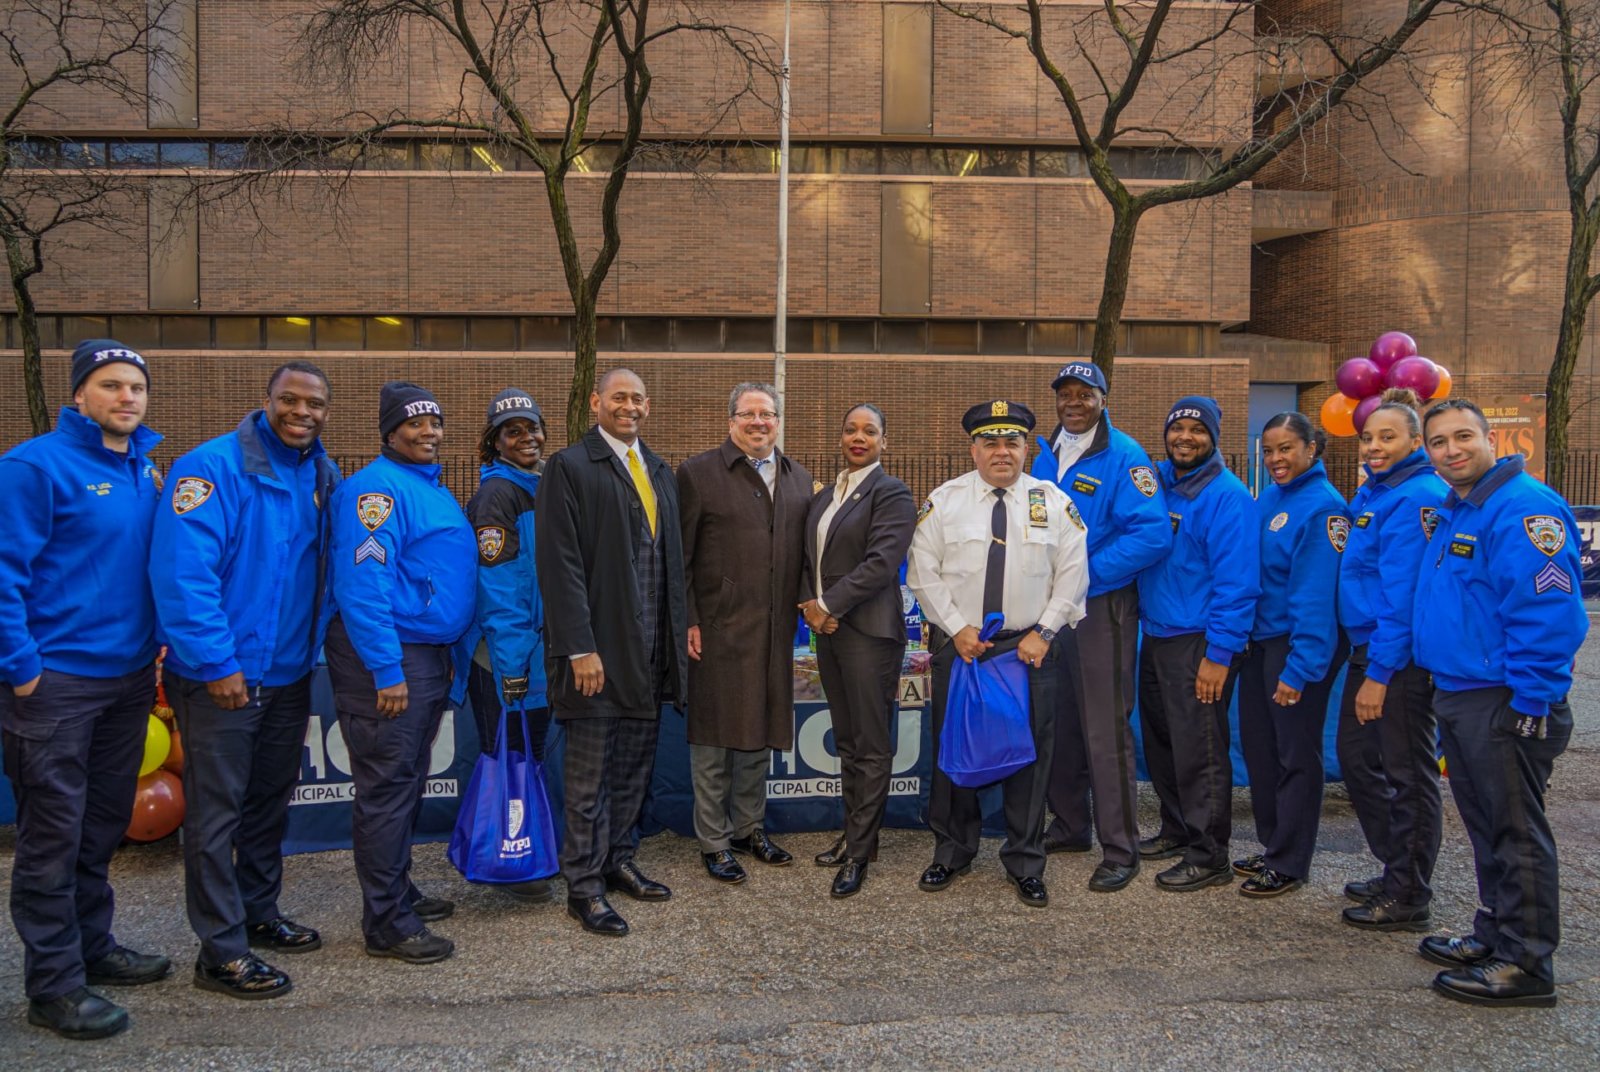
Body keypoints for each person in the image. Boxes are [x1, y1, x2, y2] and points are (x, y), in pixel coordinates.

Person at [150, 361, 340, 1000]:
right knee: (216, 817)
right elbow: (184, 575)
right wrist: (217, 663)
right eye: (290, 399)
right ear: (267, 399)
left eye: (314, 403)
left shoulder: (323, 474)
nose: (302, 412)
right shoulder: (210, 468)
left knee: (267, 805)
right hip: (221, 678)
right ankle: (221, 952)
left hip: (288, 674)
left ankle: (259, 912)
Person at [0, 340, 168, 1039]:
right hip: (57, 686)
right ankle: (54, 986)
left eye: (136, 387)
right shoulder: (32, 468)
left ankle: (92, 948)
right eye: (110, 385)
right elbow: (4, 575)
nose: (127, 397)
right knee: (52, 838)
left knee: (99, 828)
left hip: (127, 680)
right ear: (78, 395)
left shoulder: (146, 470)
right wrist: (23, 670)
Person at [1411, 399, 1586, 1007]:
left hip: (1505, 699)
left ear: (1491, 439)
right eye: (1438, 442)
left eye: (1463, 437)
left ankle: (1527, 963)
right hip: (1461, 693)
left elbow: (1548, 613)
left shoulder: (1522, 508)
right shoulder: (1462, 508)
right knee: (1486, 826)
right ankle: (1496, 934)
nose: (1451, 450)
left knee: (1516, 832)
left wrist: (1532, 698)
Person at [907, 401, 1089, 908]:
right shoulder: (946, 501)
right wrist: (956, 628)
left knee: (1031, 757)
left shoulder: (1053, 502)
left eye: (1012, 442)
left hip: (1028, 651)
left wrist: (1045, 632)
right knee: (955, 752)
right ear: (974, 450)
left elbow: (1074, 573)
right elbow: (922, 571)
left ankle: (1026, 861)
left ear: (1027, 448)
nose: (1001, 451)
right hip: (963, 649)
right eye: (990, 442)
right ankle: (952, 851)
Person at [325, 382, 476, 965]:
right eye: (414, 423)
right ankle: (386, 923)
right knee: (387, 788)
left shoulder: (427, 485)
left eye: (435, 422)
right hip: (390, 656)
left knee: (407, 779)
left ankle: (398, 890)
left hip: (425, 653)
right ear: (390, 431)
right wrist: (386, 668)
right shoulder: (375, 491)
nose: (428, 432)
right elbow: (364, 584)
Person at [535, 368, 689, 937]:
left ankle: (618, 860)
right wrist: (579, 647)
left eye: (638, 399)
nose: (630, 407)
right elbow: (559, 564)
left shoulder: (659, 470)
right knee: (589, 779)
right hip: (595, 655)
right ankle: (583, 886)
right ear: (596, 402)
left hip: (648, 653)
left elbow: (671, 562)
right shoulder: (570, 467)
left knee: (631, 772)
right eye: (619, 397)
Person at [1028, 361, 1170, 893]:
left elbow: (1152, 535)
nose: (1074, 402)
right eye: (1065, 394)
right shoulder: (1044, 453)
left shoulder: (1126, 456)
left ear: (1103, 400)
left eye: (1084, 394)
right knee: (1060, 720)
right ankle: (1070, 825)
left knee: (1105, 730)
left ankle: (1120, 848)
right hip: (1050, 611)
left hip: (1100, 606)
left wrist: (1082, 574)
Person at [677, 383, 812, 884]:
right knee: (713, 740)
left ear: (778, 421)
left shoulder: (799, 478)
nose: (759, 422)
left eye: (768, 414)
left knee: (759, 734)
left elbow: (806, 556)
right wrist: (688, 618)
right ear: (730, 419)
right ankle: (713, 841)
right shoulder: (697, 474)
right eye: (749, 414)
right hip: (717, 630)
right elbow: (680, 557)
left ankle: (748, 828)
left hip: (774, 633)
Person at [1136, 396, 1259, 891]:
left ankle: (1210, 855)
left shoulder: (1227, 496)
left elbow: (1238, 583)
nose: (1185, 437)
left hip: (1199, 641)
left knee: (1200, 750)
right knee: (1163, 743)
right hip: (1157, 634)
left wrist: (1219, 654)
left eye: (1197, 430)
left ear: (1213, 438)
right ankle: (1177, 830)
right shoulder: (1157, 484)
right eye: (1178, 428)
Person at [1335, 388, 1446, 933]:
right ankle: (1395, 867)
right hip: (1369, 647)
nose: (1374, 447)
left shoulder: (1415, 495)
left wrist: (1380, 672)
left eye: (1387, 437)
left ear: (1415, 440)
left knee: (1407, 774)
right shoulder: (1379, 491)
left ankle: (1408, 892)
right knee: (1358, 761)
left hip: (1395, 658)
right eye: (1367, 438)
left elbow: (1401, 594)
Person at [799, 404, 918, 898]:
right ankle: (853, 835)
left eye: (870, 431)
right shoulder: (825, 496)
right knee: (847, 741)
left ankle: (860, 854)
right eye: (850, 429)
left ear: (884, 442)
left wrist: (827, 605)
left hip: (869, 634)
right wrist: (812, 608)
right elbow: (807, 560)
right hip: (829, 632)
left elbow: (881, 563)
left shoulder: (892, 493)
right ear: (840, 438)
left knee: (870, 745)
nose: (858, 437)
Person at [1233, 412, 1349, 898]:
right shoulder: (1271, 498)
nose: (1275, 459)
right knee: (1262, 752)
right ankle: (1272, 844)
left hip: (1294, 646)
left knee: (1295, 755)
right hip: (1261, 644)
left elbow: (1316, 597)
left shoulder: (1323, 508)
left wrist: (1300, 669)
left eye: (1286, 449)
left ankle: (1290, 862)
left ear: (1311, 449)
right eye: (1268, 451)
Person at [462, 389, 549, 763]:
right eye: (513, 431)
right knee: (508, 767)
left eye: (533, 428)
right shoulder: (496, 496)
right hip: (504, 661)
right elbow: (499, 589)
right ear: (495, 442)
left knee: (533, 765)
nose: (527, 437)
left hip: (539, 657)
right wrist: (513, 667)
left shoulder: (544, 486)